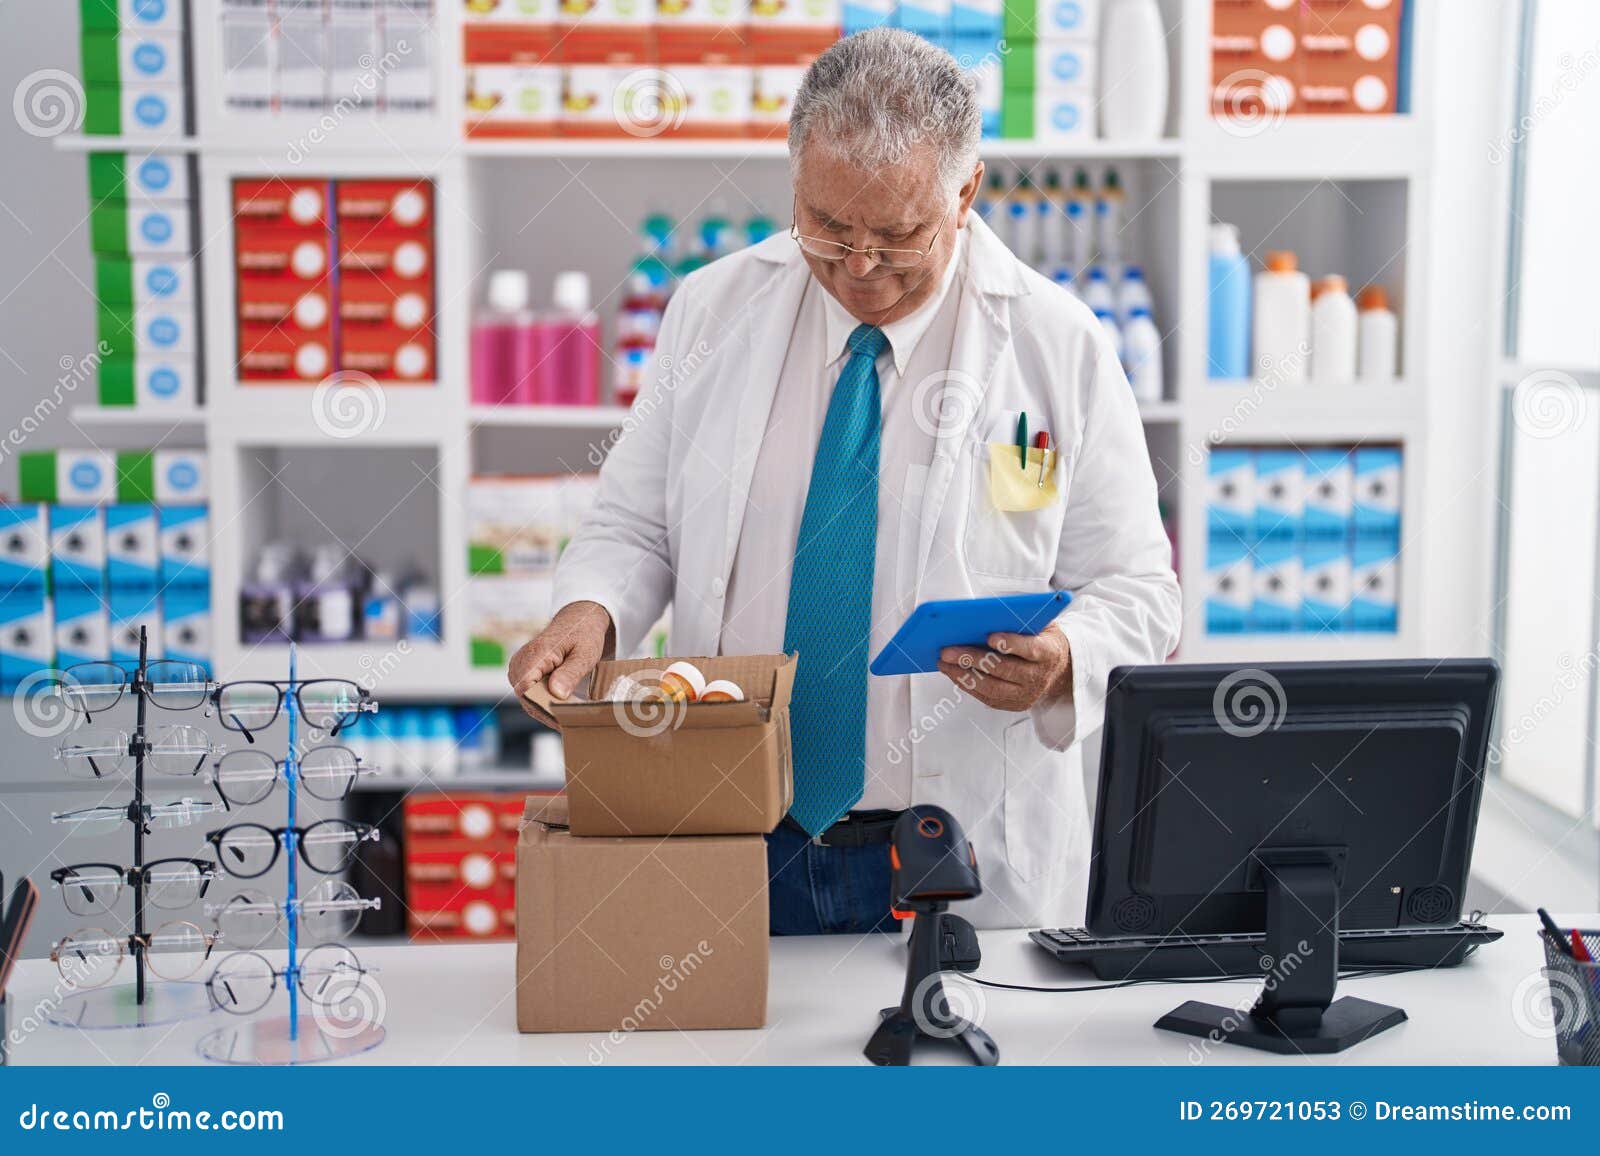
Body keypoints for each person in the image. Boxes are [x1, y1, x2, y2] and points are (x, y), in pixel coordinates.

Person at [509, 28, 1180, 931]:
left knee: (947, 1065)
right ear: (795, 182)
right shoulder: (713, 309)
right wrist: (590, 609)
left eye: (899, 235)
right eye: (827, 227)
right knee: (745, 1068)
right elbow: (633, 525)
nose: (859, 268)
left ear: (967, 192)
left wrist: (1066, 663)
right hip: (738, 824)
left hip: (952, 840)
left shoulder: (1058, 346)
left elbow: (1140, 591)